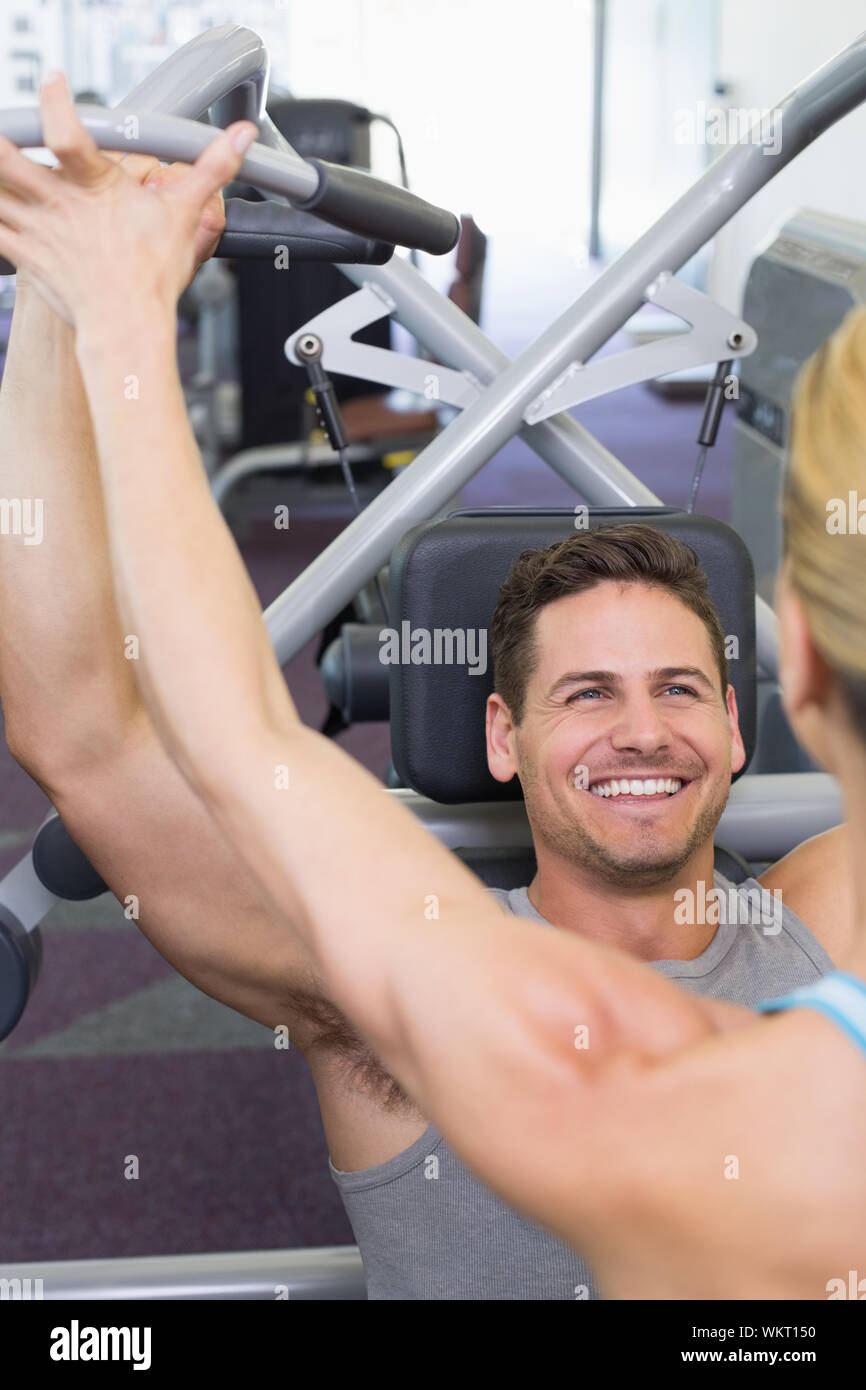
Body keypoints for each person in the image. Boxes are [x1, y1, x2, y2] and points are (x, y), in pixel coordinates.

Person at [0, 75, 863, 1299]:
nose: (639, 730)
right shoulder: (384, 1020)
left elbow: (249, 745)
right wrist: (53, 301)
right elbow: (83, 732)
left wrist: (112, 307)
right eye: (584, 695)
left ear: (749, 719)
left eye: (679, 687)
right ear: (497, 735)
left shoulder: (793, 927)